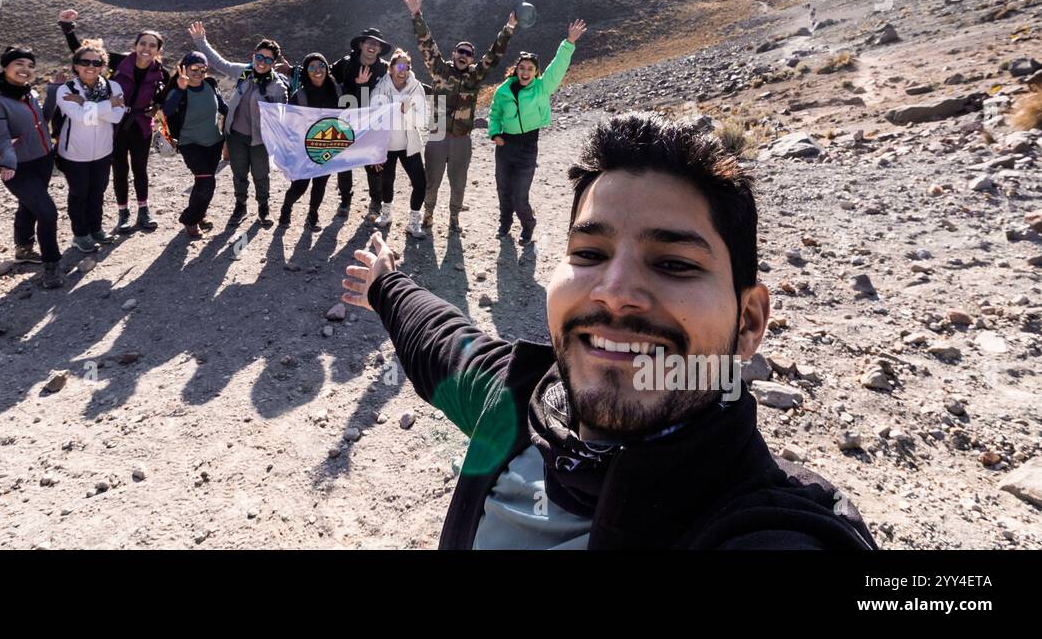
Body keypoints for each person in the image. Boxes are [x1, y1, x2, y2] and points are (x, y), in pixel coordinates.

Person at [341, 113, 878, 550]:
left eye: (673, 263)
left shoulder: (766, 527)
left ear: (749, 322)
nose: (615, 291)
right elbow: (442, 342)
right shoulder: (519, 404)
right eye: (589, 254)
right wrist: (386, 284)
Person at [402, 0, 517, 233]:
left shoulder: (475, 76)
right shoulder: (440, 70)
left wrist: (508, 29)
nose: (464, 56)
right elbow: (426, 45)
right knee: (432, 180)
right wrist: (416, 16)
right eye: (460, 52)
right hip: (437, 137)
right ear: (453, 54)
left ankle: (454, 218)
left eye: (468, 53)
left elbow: (494, 55)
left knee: (459, 182)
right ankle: (429, 215)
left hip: (462, 140)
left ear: (471, 58)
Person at [57, 9, 170, 234]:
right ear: (135, 45)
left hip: (140, 126)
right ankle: (123, 214)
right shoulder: (118, 62)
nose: (146, 49)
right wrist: (68, 29)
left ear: (158, 51)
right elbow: (84, 56)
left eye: (152, 45)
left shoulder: (161, 73)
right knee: (119, 169)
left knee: (140, 168)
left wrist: (156, 107)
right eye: (143, 44)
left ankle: (143, 211)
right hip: (115, 124)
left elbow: (164, 98)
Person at [488, 19, 586, 244]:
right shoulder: (503, 90)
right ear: (516, 69)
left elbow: (557, 67)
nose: (525, 72)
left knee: (519, 195)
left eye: (530, 69)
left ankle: (528, 225)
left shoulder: (542, 87)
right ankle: (504, 223)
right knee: (503, 189)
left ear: (535, 72)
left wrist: (569, 42)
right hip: (505, 146)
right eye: (522, 68)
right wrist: (495, 134)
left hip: (528, 147)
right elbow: (494, 114)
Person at [189, 21, 290, 227]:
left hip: (260, 139)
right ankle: (240, 206)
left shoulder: (276, 85)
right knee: (239, 173)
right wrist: (201, 41)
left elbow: (284, 114)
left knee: (261, 175)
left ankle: (263, 207)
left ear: (273, 63)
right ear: (254, 55)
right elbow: (219, 63)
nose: (262, 62)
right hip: (235, 136)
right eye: (259, 57)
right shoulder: (244, 72)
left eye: (268, 60)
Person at [0, 47, 63, 289]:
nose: (25, 69)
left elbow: (43, 119)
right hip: (18, 167)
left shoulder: (29, 95)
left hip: (43, 160)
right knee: (47, 212)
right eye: (19, 64)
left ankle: (24, 248)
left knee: (28, 205)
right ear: (5, 67)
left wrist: (53, 92)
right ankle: (52, 266)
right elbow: (1, 137)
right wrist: (7, 160)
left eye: (30, 65)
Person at [47, 42, 126, 253]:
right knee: (79, 193)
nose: (90, 66)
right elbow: (81, 118)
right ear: (76, 65)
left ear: (103, 66)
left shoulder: (113, 87)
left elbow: (118, 116)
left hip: (103, 151)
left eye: (96, 62)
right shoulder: (67, 89)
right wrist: (108, 104)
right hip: (73, 153)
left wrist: (83, 102)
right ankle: (80, 235)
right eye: (85, 62)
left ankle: (96, 229)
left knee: (98, 192)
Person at [162, 52, 228, 239]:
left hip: (214, 142)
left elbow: (223, 107)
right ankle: (190, 219)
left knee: (202, 181)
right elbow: (166, 112)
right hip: (189, 143)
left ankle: (199, 215)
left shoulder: (210, 85)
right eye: (194, 69)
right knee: (207, 181)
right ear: (184, 68)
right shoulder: (178, 91)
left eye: (202, 69)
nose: (199, 73)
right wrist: (181, 88)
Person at [329, 28, 391, 219]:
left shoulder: (385, 68)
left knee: (373, 163)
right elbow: (324, 75)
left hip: (373, 125)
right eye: (369, 42)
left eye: (377, 44)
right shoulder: (345, 64)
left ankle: (375, 202)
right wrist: (293, 71)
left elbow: (403, 79)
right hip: (347, 122)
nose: (372, 46)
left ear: (380, 49)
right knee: (344, 162)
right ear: (361, 45)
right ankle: (345, 200)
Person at [278, 52, 341, 231]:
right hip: (303, 148)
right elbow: (289, 122)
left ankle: (313, 215)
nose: (317, 70)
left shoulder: (337, 90)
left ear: (327, 68)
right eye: (312, 67)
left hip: (327, 145)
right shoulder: (300, 95)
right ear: (306, 71)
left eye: (321, 66)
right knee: (300, 185)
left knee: (320, 183)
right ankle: (286, 208)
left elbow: (348, 115)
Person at [369, 48, 428, 238]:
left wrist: (407, 111)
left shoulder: (416, 87)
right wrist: (376, 150)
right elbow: (373, 119)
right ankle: (386, 215)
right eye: (401, 66)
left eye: (408, 66)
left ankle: (413, 221)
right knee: (387, 181)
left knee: (420, 183)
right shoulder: (381, 88)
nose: (404, 70)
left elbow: (423, 119)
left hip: (409, 145)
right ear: (392, 68)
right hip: (387, 145)